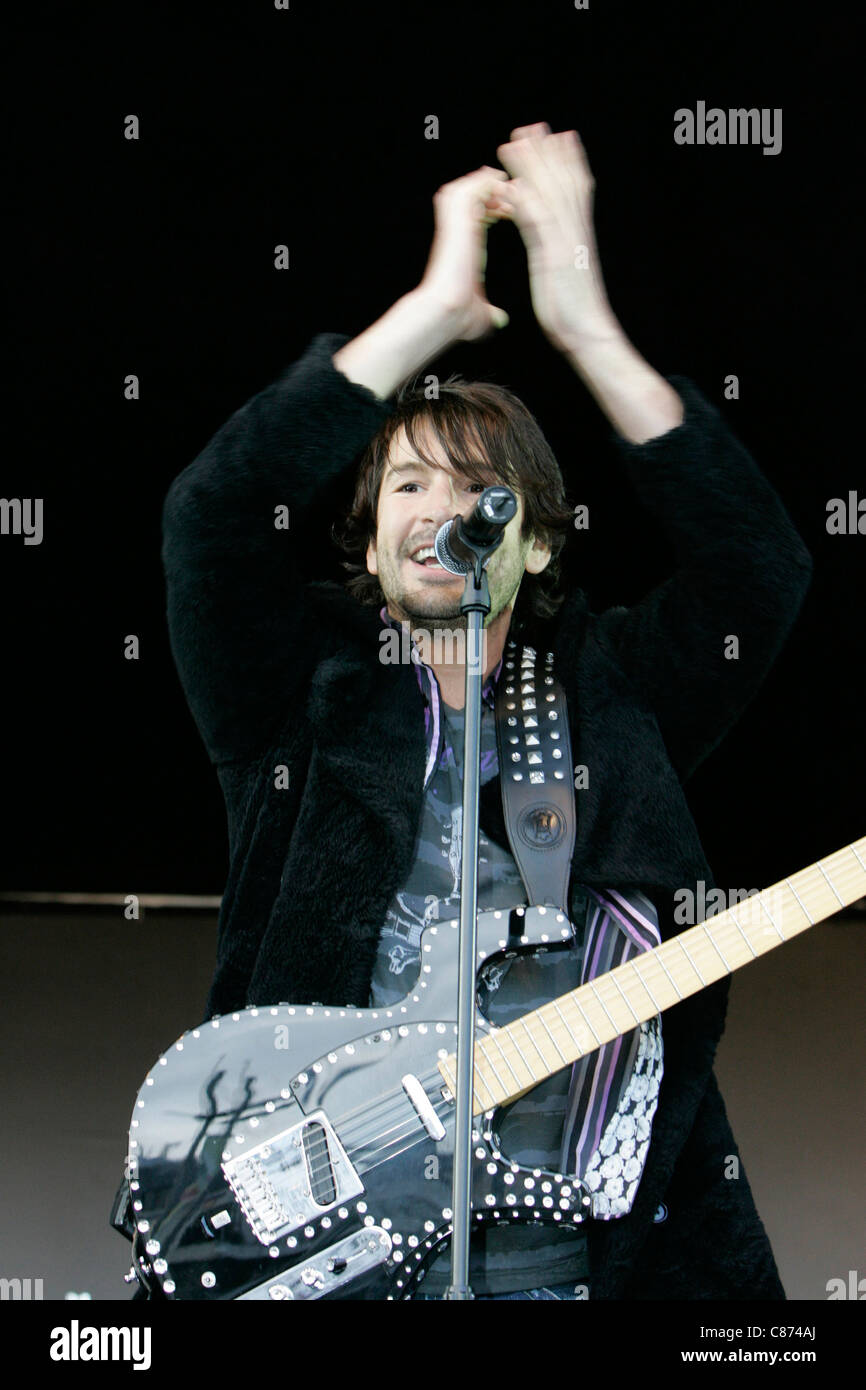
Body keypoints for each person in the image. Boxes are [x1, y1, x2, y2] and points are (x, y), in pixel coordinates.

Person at [158, 122, 812, 1298]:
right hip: (326, 1250)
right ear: (365, 536)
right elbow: (211, 511)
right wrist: (432, 306)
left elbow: (758, 567)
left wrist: (579, 320)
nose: (437, 508)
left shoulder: (614, 696)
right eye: (407, 482)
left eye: (477, 488)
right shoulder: (297, 696)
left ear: (540, 535)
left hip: (557, 1257)